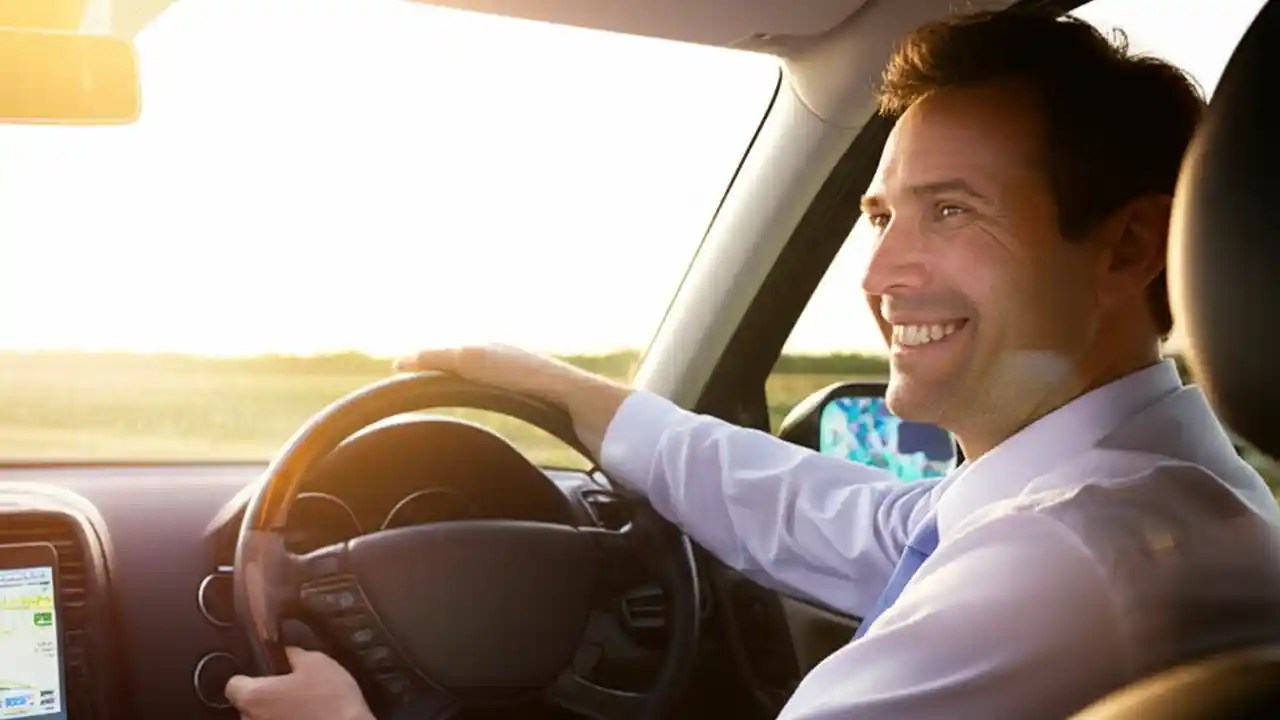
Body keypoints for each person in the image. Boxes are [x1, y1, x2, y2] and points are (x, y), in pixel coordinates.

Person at [226, 9, 1280, 720]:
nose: (881, 274)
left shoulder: (1060, 566)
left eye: (949, 212)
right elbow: (853, 519)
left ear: (1129, 247)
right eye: (879, 217)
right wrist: (572, 396)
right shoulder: (1157, 498)